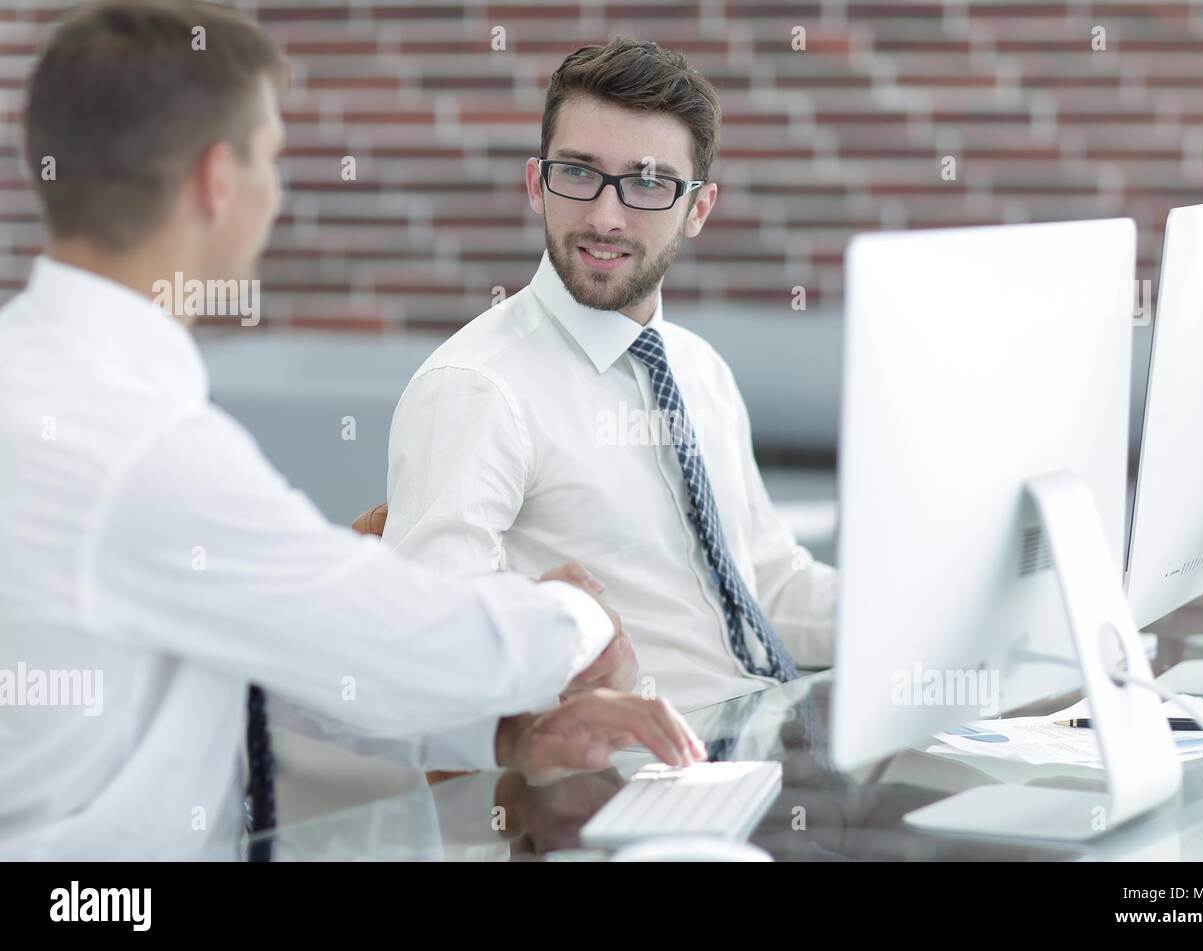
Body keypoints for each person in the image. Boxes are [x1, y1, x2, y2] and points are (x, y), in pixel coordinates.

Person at [0, 0, 702, 861]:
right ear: (220, 180)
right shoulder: (140, 445)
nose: (276, 191)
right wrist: (575, 619)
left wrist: (497, 739)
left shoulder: (43, 379)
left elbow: (278, 645)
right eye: (272, 158)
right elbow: (393, 636)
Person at [384, 38, 839, 713]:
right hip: (625, 780)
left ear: (699, 208)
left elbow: (767, 583)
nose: (605, 215)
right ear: (537, 183)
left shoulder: (700, 368)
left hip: (768, 743)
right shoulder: (478, 388)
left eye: (649, 183)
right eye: (578, 173)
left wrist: (922, 614)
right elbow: (427, 644)